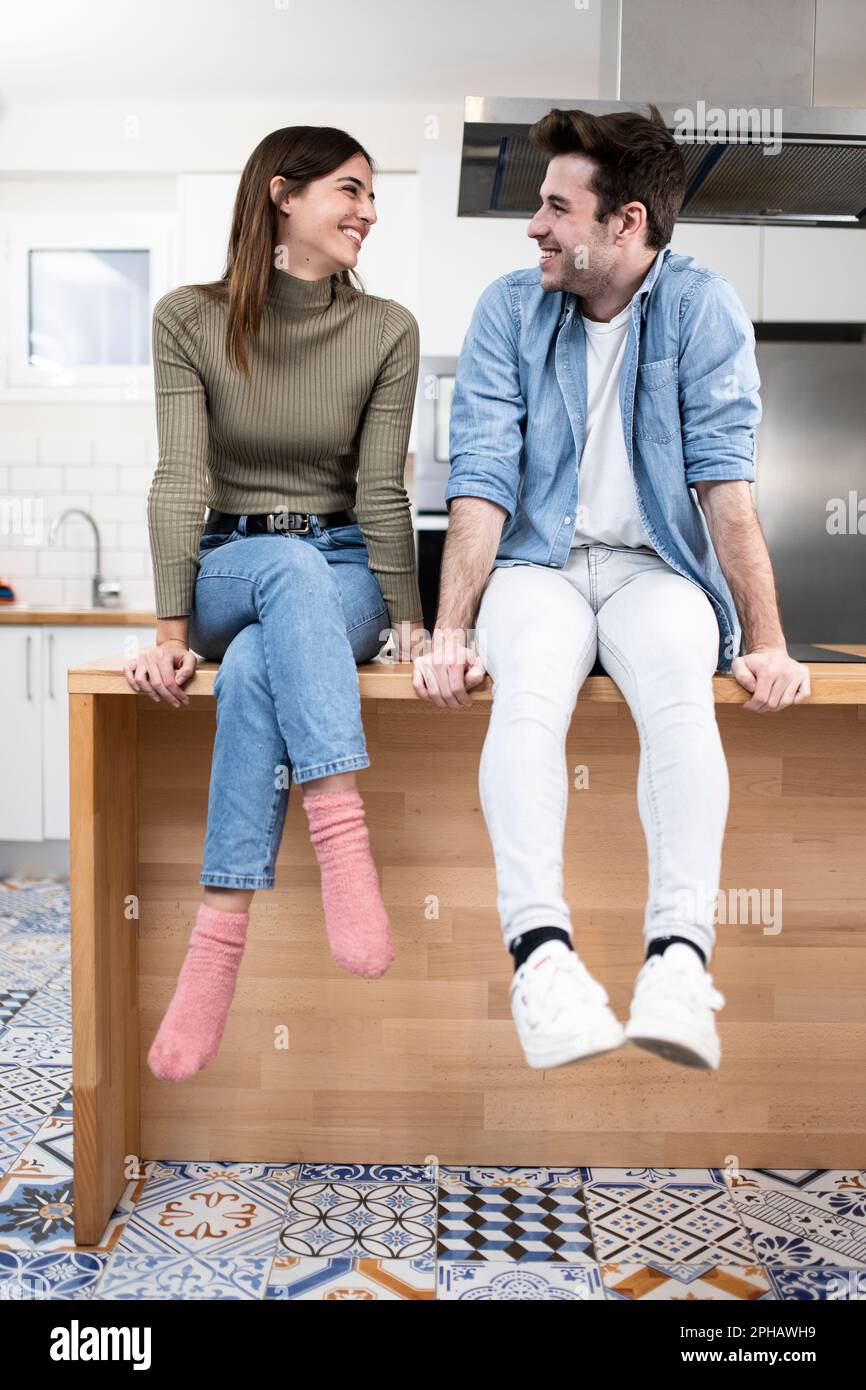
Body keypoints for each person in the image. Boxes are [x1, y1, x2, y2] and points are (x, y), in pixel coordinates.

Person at [413, 104, 810, 1073]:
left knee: (681, 698)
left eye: (555, 207)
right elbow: (479, 479)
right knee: (531, 697)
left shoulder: (700, 308)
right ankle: (540, 958)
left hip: (652, 571)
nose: (533, 227)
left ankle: (677, 962)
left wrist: (764, 637)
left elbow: (723, 488)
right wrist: (448, 630)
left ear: (622, 224)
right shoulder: (508, 308)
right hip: (535, 567)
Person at [123, 126, 425, 1082]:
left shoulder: (388, 332)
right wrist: (170, 631)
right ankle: (341, 835)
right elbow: (179, 478)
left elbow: (382, 493)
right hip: (229, 563)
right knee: (274, 579)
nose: (369, 212)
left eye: (372, 195)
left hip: (342, 571)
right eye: (351, 189)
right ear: (281, 195)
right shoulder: (188, 318)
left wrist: (412, 622)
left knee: (260, 662)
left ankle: (214, 950)